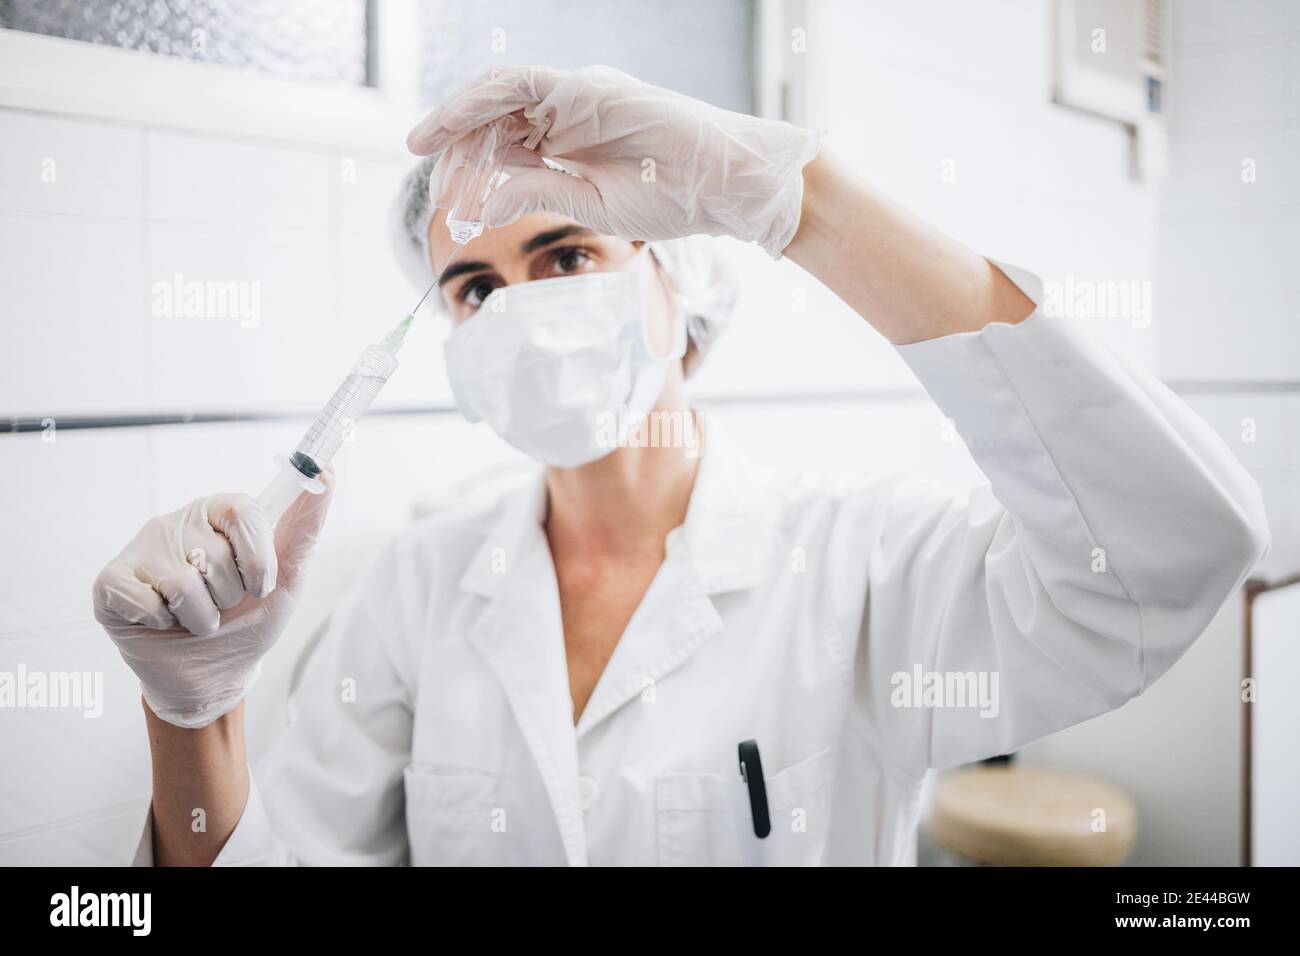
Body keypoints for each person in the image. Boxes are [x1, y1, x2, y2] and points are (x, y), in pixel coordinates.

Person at [94, 65, 1269, 866]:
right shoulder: (418, 588)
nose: (518, 309)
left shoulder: (859, 560)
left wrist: (801, 203)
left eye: (565, 253)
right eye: (474, 286)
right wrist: (188, 714)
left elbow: (1170, 548)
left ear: (679, 280)